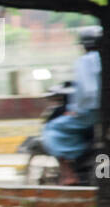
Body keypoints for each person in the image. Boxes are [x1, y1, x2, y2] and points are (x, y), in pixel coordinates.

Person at [43, 26, 103, 185]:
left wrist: (75, 111)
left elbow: (88, 91)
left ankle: (68, 174)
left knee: (52, 129)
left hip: (92, 112)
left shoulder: (86, 60)